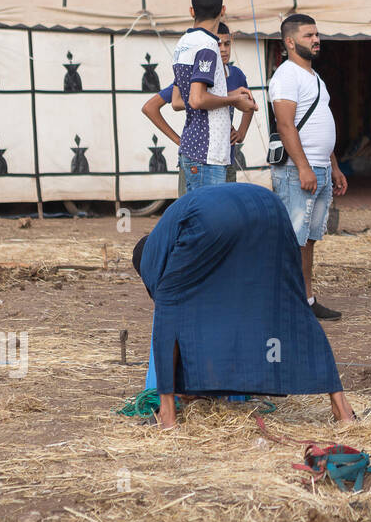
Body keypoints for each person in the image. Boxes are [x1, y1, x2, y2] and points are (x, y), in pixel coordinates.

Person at [131, 183, 355, 430]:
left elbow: (172, 323)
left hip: (215, 217)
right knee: (292, 304)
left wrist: (179, 385)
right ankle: (342, 407)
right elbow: (225, 313)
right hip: (272, 210)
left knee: (169, 312)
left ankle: (167, 414)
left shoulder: (151, 258)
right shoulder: (184, 242)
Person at [268, 14, 347, 321]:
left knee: (308, 239)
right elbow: (285, 125)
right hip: (296, 170)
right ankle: (284, 303)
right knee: (292, 239)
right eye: (308, 35)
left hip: (319, 167)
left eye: (317, 34)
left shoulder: (314, 76)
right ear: (290, 42)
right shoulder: (287, 75)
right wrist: (303, 168)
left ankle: (307, 299)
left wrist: (334, 166)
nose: (316, 40)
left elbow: (318, 126)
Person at [142, 23, 254, 190]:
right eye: (218, 44)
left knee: (225, 212)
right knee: (196, 210)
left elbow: (248, 102)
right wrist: (179, 141)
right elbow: (156, 106)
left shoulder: (236, 74)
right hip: (198, 154)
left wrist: (241, 132)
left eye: (227, 43)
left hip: (225, 155)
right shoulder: (197, 74)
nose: (223, 49)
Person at [171, 0, 257, 192]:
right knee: (209, 221)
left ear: (192, 11)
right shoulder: (208, 45)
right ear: (223, 11)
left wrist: (230, 94)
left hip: (195, 148)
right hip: (206, 153)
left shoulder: (184, 42)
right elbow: (197, 99)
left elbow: (186, 97)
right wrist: (233, 100)